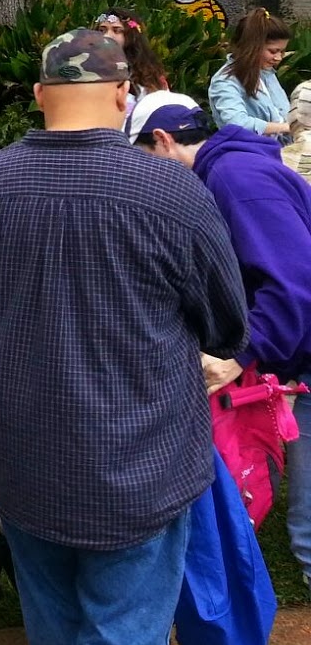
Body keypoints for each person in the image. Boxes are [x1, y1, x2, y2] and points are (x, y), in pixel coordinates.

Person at [0, 29, 248, 645]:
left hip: (25, 454)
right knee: (125, 640)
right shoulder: (170, 191)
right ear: (124, 95)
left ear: (39, 95)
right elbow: (225, 326)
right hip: (141, 463)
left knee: (53, 625)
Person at [128, 90, 311, 590]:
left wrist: (245, 354)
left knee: (309, 525)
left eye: (143, 159)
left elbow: (293, 282)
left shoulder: (236, 179)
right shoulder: (223, 170)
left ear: (163, 140)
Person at [209, 7, 292, 141]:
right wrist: (286, 127)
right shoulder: (225, 81)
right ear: (251, 47)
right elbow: (237, 124)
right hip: (249, 155)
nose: (278, 58)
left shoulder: (266, 72)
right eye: (273, 51)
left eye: (282, 52)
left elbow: (283, 112)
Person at [93, 9, 167, 101]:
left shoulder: (149, 73)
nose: (106, 36)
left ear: (131, 36)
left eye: (117, 31)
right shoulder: (86, 66)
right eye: (102, 30)